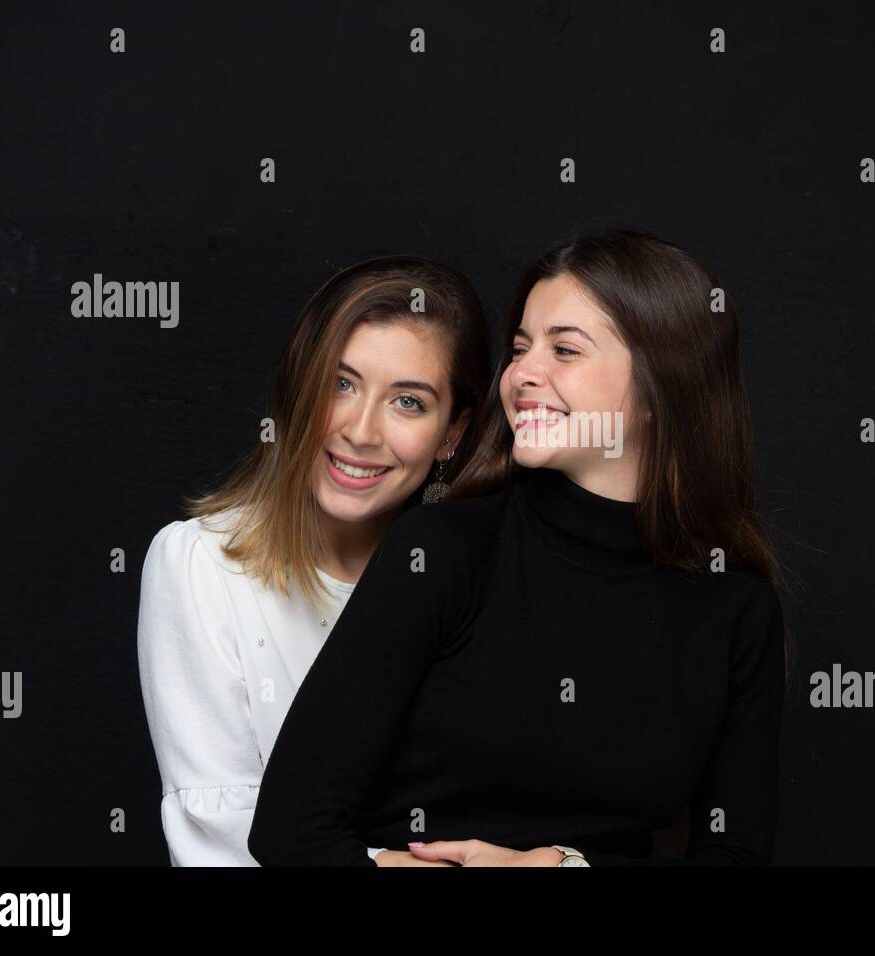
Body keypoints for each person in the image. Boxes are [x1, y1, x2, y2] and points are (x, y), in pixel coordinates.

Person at [249, 229, 800, 866]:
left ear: (663, 385)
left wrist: (565, 865)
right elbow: (292, 825)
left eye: (564, 350)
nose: (522, 374)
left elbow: (736, 856)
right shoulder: (442, 551)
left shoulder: (736, 611)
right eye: (519, 347)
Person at [136, 256, 490, 865]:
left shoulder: (467, 579)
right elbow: (220, 843)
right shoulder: (201, 564)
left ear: (452, 434)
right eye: (341, 383)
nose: (361, 430)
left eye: (408, 402)